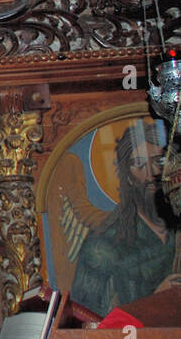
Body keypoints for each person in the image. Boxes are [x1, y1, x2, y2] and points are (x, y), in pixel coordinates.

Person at [71, 127, 181, 315]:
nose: (152, 174)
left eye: (158, 161)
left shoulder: (176, 232)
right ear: (127, 176)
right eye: (139, 164)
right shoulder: (103, 245)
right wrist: (155, 301)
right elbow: (85, 320)